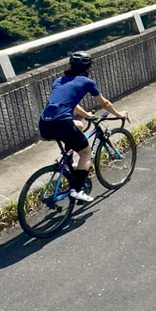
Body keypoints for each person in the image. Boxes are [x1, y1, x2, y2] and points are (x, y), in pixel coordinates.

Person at [38, 51, 129, 203]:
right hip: (62, 123)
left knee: (79, 125)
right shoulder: (87, 82)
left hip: (45, 124)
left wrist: (86, 114)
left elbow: (69, 104)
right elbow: (104, 103)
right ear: (88, 68)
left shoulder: (59, 80)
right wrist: (119, 114)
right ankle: (77, 190)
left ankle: (67, 160)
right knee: (86, 153)